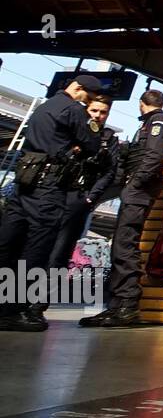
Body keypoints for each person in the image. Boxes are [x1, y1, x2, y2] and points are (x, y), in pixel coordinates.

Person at [0, 73, 104, 331]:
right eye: (87, 97)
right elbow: (92, 144)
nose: (87, 102)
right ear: (78, 88)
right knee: (37, 248)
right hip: (49, 187)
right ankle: (16, 309)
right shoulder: (73, 110)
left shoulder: (45, 106)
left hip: (24, 182)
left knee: (7, 242)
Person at [80, 90, 163, 329]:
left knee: (125, 244)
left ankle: (126, 305)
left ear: (142, 104)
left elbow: (153, 156)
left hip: (139, 190)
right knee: (121, 244)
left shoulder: (158, 121)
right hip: (136, 189)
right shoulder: (151, 123)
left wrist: (135, 184)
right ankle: (117, 304)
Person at [47, 96, 121, 272]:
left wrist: (91, 197)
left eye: (103, 112)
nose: (97, 115)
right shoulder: (70, 131)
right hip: (55, 190)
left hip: (80, 195)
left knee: (62, 246)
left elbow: (110, 171)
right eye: (94, 110)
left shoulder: (108, 139)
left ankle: (44, 291)